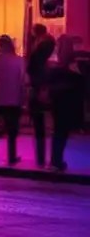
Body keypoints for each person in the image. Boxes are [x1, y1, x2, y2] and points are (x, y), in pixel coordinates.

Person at [0, 34, 26, 166]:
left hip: (1, 98)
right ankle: (10, 156)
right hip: (14, 98)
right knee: (12, 128)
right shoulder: (18, 60)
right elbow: (23, 80)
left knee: (10, 127)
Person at [47, 35, 85, 172]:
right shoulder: (74, 66)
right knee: (61, 132)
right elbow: (81, 84)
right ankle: (56, 161)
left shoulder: (56, 66)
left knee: (58, 132)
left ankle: (55, 161)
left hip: (58, 102)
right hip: (68, 102)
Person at [26, 23, 57, 167]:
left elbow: (32, 67)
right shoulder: (48, 50)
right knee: (43, 126)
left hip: (39, 89)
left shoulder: (40, 52)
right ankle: (43, 157)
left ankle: (41, 158)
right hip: (43, 89)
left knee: (39, 126)